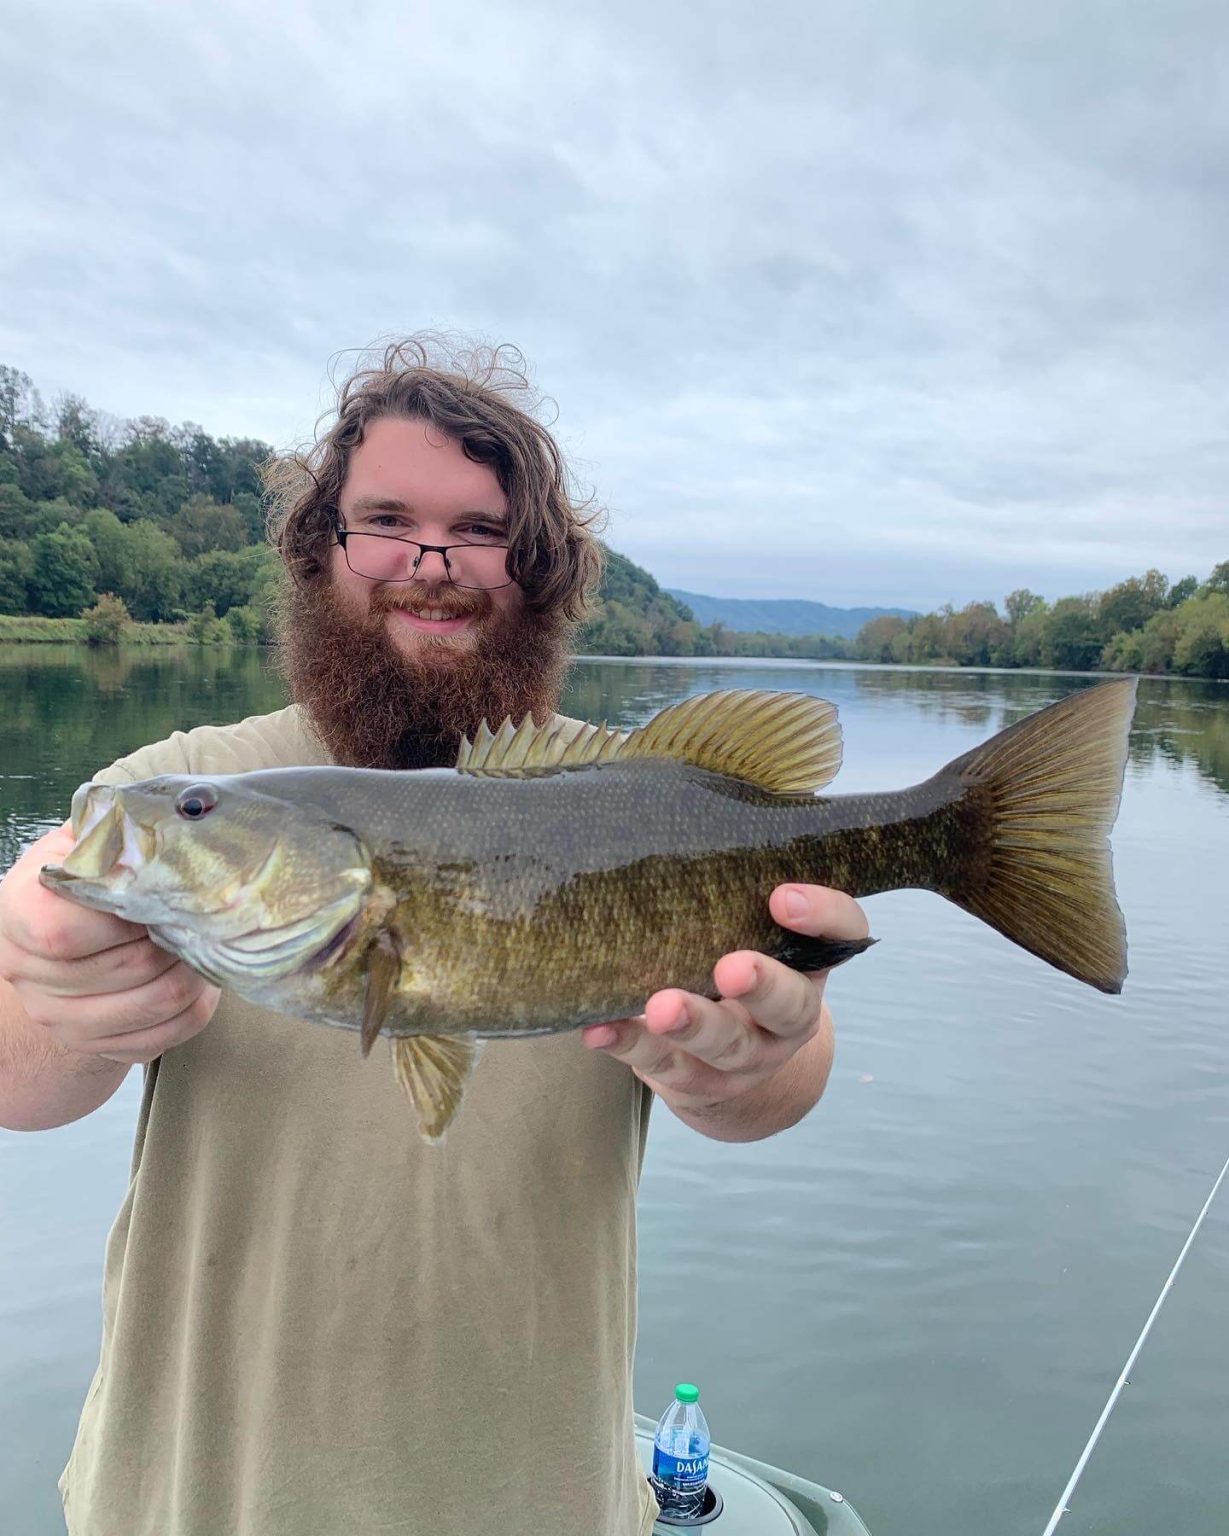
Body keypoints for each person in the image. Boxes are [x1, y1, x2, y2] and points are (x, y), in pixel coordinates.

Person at [0, 338, 869, 1536]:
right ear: (321, 552)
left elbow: (782, 1074)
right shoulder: (180, 789)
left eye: (478, 531)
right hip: (202, 1497)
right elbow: (16, 1068)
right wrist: (51, 1002)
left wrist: (750, 1066)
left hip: (539, 1502)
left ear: (542, 571)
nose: (429, 564)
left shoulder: (631, 793)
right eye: (384, 521)